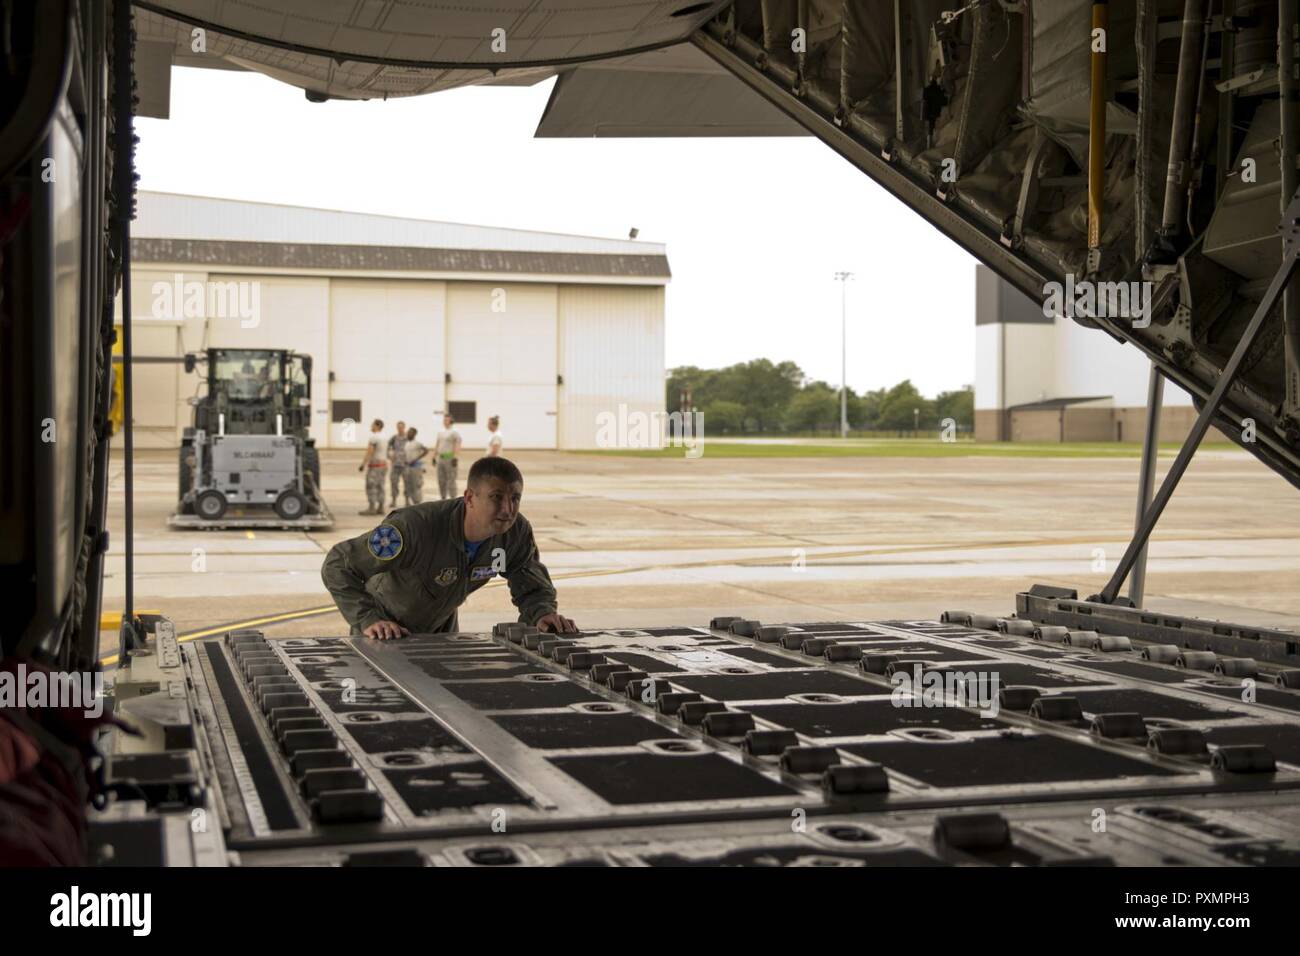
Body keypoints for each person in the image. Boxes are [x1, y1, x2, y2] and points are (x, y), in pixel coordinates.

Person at [322, 456, 577, 638]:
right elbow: (338, 564)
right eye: (496, 498)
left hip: (440, 631)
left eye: (515, 498)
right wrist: (368, 619)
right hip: (383, 631)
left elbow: (528, 580)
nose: (508, 510)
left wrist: (542, 613)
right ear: (469, 498)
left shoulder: (514, 534)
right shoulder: (413, 528)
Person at [357, 418, 387, 515]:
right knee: (381, 486)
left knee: (371, 486)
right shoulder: (385, 437)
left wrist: (363, 464)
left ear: (377, 426)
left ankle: (372, 508)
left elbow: (370, 451)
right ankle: (381, 507)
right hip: (384, 465)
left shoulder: (374, 437)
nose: (371, 426)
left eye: (373, 425)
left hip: (375, 465)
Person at [433, 413, 463, 500]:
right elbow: (437, 444)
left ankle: (453, 498)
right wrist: (434, 456)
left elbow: (457, 444)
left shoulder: (455, 432)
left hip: (449, 458)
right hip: (440, 458)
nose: (444, 421)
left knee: (451, 480)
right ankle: (443, 498)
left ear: (451, 421)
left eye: (446, 420)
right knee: (441, 480)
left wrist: (455, 457)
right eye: (444, 420)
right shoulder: (440, 432)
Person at [403, 426, 427, 504]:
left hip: (416, 467)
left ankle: (417, 502)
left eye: (410, 432)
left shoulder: (417, 443)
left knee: (416, 485)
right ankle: (407, 501)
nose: (408, 434)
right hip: (407, 467)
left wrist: (416, 459)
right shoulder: (406, 444)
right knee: (407, 484)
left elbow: (426, 451)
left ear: (414, 434)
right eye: (408, 432)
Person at [387, 420, 408, 509]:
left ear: (404, 427)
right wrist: (390, 457)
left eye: (401, 427)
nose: (400, 429)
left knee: (407, 483)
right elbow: (387, 447)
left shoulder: (408, 438)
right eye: (398, 427)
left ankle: (407, 500)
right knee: (394, 483)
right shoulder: (394, 438)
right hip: (395, 465)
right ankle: (394, 500)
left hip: (406, 465)